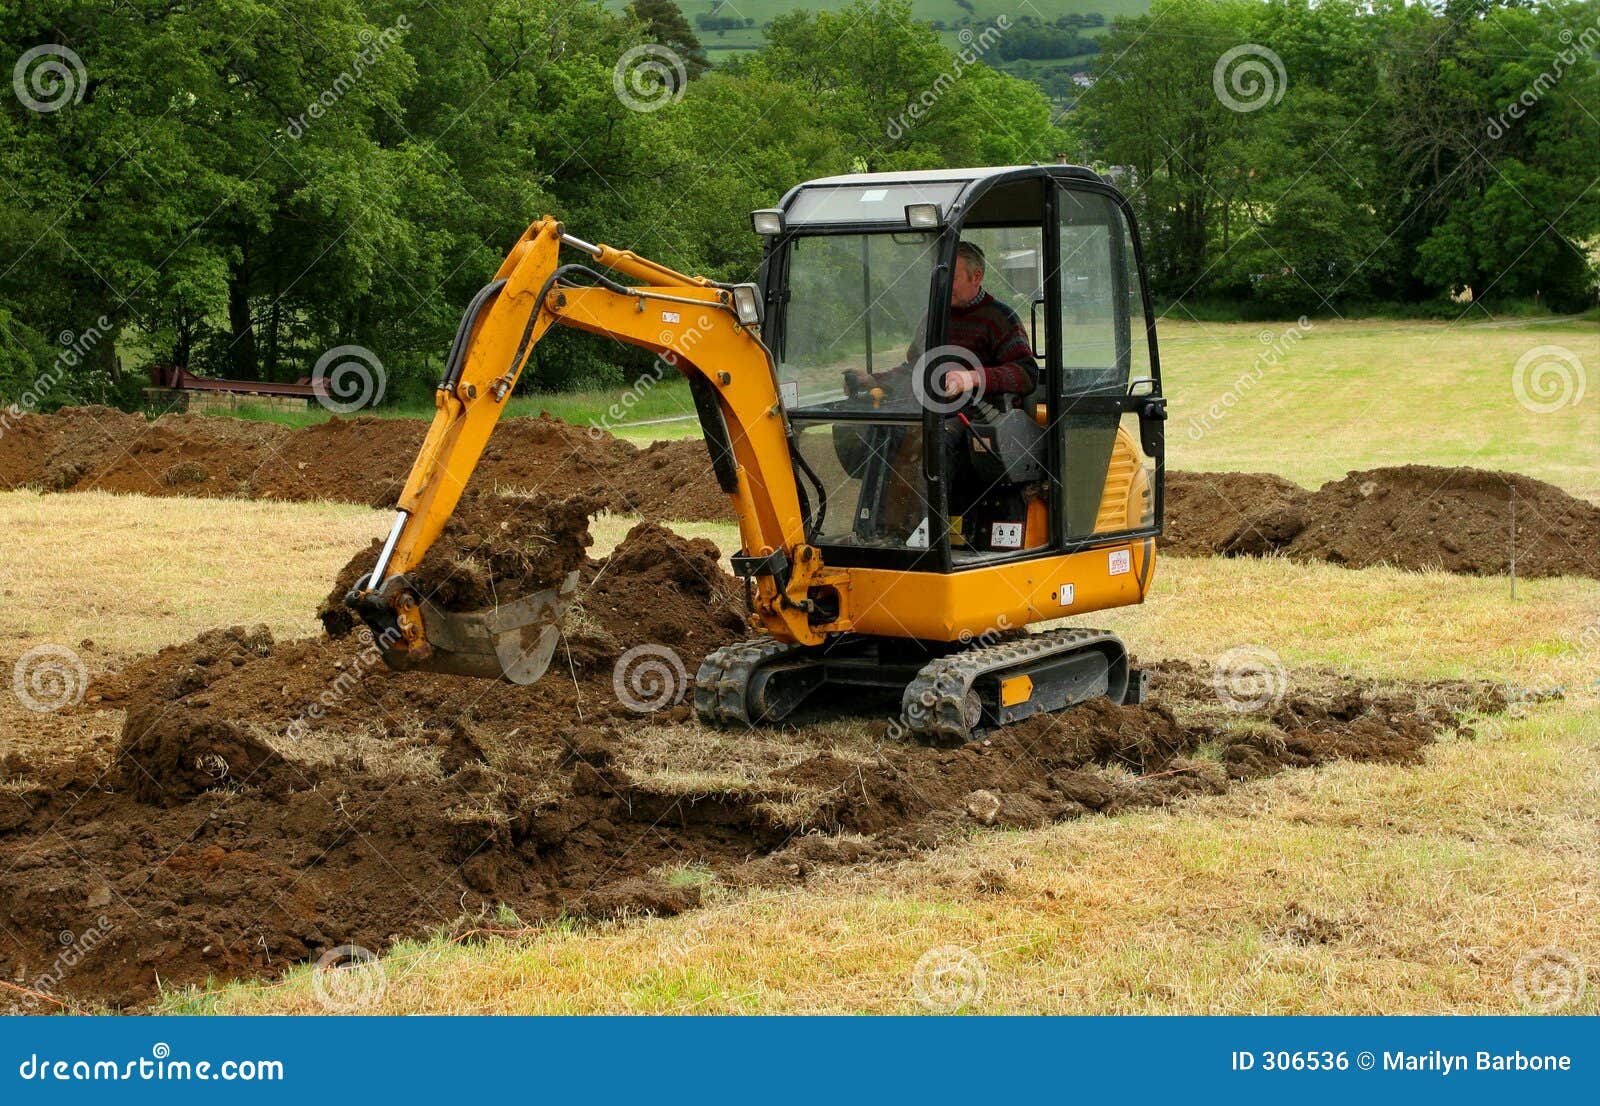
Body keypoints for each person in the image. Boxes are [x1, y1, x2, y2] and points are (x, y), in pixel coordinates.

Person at [845, 241, 1038, 407]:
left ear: (976, 277)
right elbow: (914, 369)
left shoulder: (1000, 318)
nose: (943, 285)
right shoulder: (932, 317)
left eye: (951, 278)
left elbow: (1027, 374)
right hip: (931, 414)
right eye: (940, 277)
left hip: (980, 416)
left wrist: (972, 378)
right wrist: (874, 380)